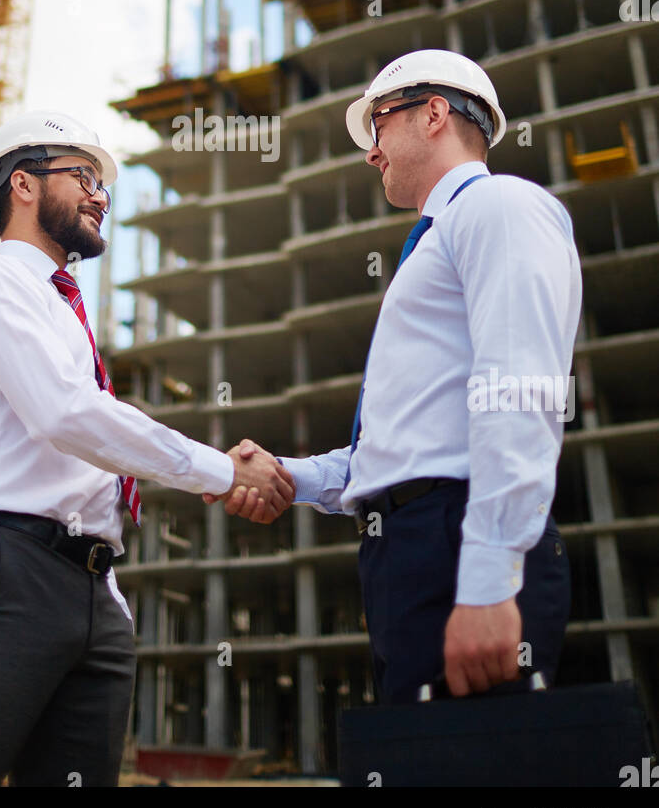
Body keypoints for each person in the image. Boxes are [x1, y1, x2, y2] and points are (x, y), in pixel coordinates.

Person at [0, 110, 294, 787]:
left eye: (104, 182)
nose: (101, 194)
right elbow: (67, 414)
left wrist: (108, 595)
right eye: (84, 176)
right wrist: (222, 472)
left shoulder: (65, 311)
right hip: (1, 571)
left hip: (93, 589)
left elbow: (86, 443)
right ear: (22, 184)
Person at [208, 50, 582, 704]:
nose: (370, 153)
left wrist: (489, 579)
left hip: (458, 541)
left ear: (434, 112)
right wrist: (292, 478)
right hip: (410, 551)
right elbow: (403, 449)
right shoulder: (436, 245)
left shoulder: (498, 206)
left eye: (377, 124)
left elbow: (521, 391)